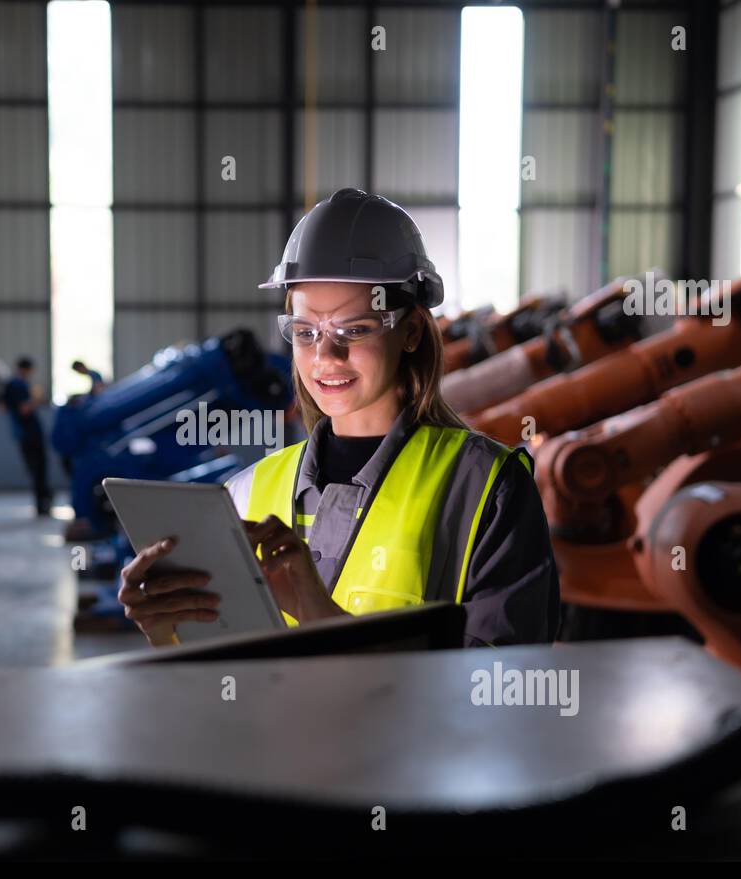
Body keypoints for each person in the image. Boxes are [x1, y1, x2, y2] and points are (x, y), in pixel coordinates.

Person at [118, 187, 560, 647]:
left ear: (409, 331)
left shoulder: (485, 488)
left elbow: (503, 688)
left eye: (353, 330)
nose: (326, 356)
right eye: (305, 332)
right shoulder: (246, 492)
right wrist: (168, 629)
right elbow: (222, 680)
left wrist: (320, 617)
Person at [2, 356, 52, 516]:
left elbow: (2, 407)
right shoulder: (19, 385)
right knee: (39, 469)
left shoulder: (11, 385)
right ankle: (42, 504)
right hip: (30, 433)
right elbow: (24, 409)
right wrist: (35, 399)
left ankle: (42, 502)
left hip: (22, 433)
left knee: (34, 469)